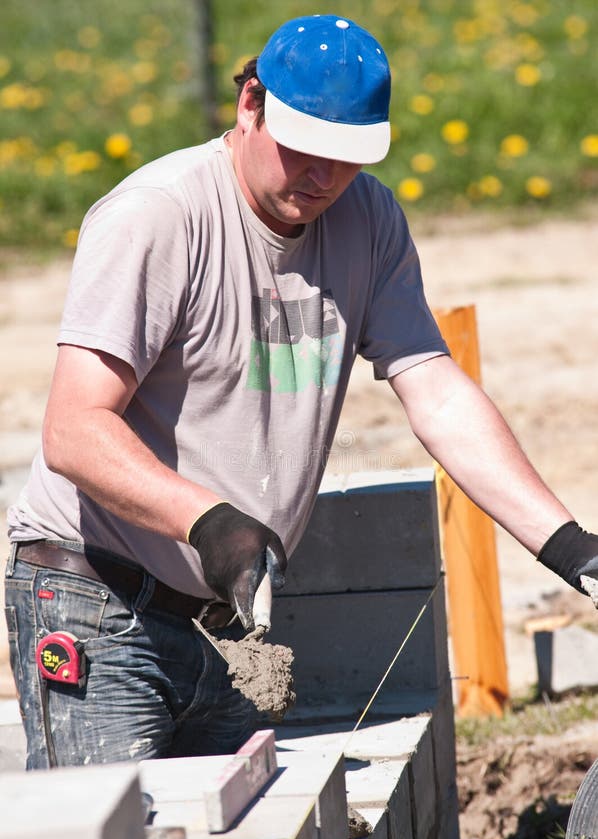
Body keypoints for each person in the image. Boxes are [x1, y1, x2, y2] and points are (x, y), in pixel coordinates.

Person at [4, 14, 598, 769]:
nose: (321, 178)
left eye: (344, 159)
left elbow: (437, 393)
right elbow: (74, 428)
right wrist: (207, 521)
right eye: (302, 151)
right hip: (98, 601)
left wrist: (571, 547)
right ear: (250, 104)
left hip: (224, 621)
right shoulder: (158, 217)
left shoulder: (369, 219)